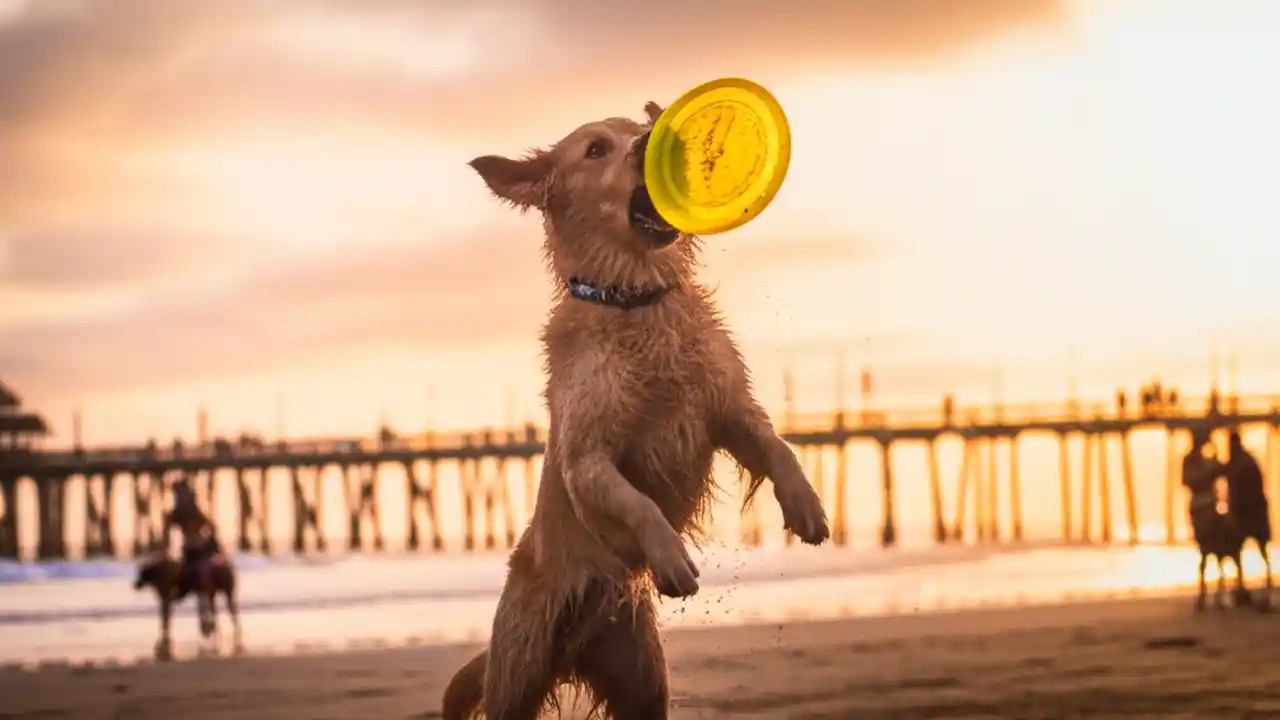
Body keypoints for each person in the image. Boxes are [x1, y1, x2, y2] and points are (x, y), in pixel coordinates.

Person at [1227, 429, 1272, 605]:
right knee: (1261, 549)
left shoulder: (1240, 464)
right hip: (1255, 511)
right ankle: (1265, 579)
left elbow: (1237, 492)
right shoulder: (1247, 461)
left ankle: (1242, 583)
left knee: (1238, 547)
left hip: (1247, 513)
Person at [164, 476, 221, 594]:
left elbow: (211, 526)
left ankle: (207, 592)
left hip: (199, 548)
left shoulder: (193, 511)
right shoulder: (178, 513)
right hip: (188, 549)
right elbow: (168, 531)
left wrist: (211, 541)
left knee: (202, 573)